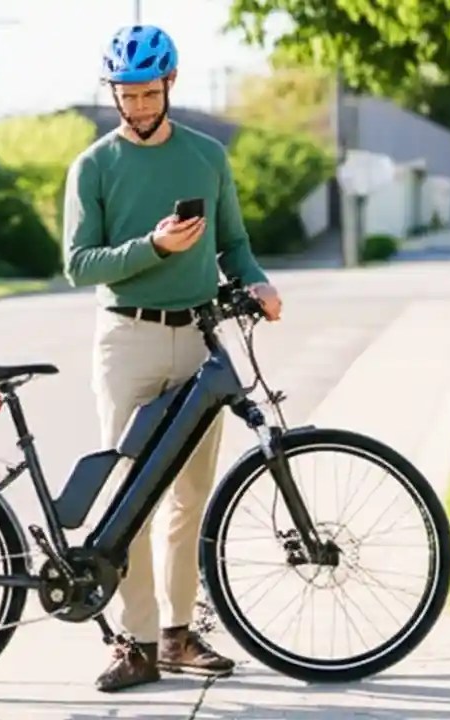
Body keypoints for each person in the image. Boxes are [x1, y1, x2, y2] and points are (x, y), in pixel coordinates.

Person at [61, 23, 283, 693]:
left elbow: (234, 244)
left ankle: (180, 635)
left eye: (147, 92)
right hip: (126, 340)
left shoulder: (208, 157)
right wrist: (152, 247)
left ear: (171, 85)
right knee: (131, 495)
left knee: (190, 494)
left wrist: (258, 280)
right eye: (125, 94)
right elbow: (78, 265)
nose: (136, 105)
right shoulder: (94, 165)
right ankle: (136, 643)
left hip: (197, 339)